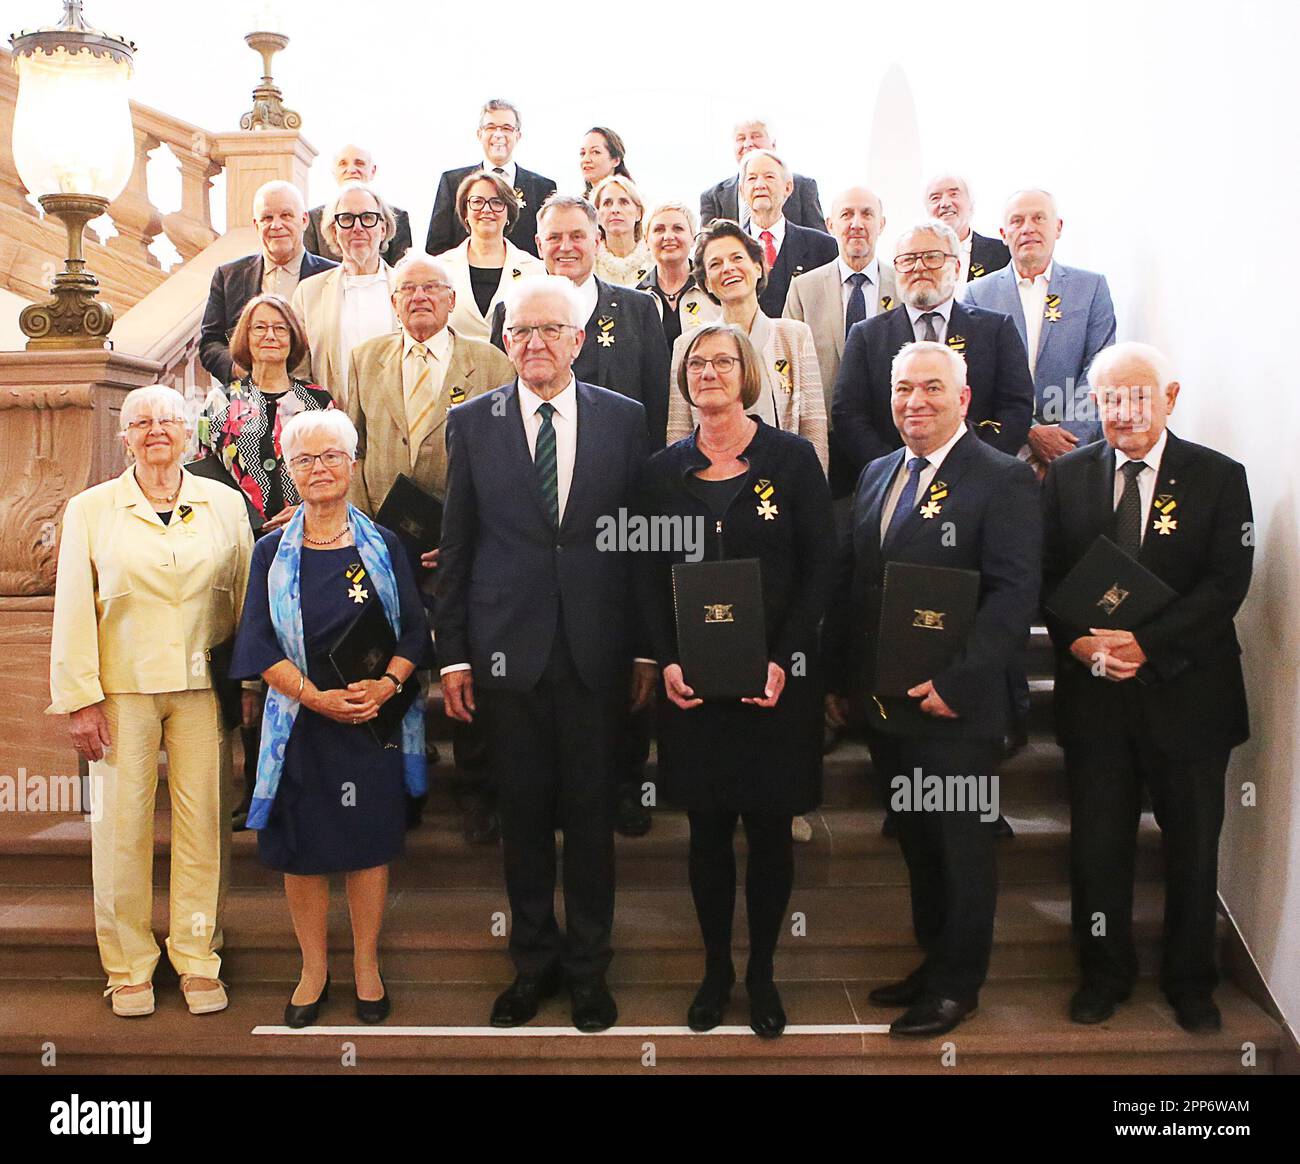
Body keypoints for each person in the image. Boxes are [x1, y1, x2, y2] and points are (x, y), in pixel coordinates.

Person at [435, 276, 653, 1032]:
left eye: (550, 330)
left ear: (577, 340)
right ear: (505, 344)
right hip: (505, 655)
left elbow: (639, 543)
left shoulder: (625, 420)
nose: (535, 344)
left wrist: (649, 650)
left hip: (598, 651)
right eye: (521, 332)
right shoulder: (472, 423)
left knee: (592, 820)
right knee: (523, 817)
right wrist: (453, 655)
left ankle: (590, 971)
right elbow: (458, 544)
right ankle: (532, 964)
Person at [824, 342, 1041, 1036]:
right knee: (917, 840)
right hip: (889, 706)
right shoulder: (880, 471)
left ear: (965, 399)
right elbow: (857, 584)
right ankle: (932, 961)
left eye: (931, 390)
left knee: (961, 847)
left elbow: (1014, 595)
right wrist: (837, 680)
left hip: (958, 710)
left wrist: (960, 681)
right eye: (902, 390)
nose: (914, 403)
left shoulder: (1002, 478)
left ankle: (958, 985)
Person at [1042, 343, 1253, 1033]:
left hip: (1189, 695)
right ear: (1093, 403)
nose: (1124, 410)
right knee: (1098, 848)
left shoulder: (1219, 477)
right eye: (1109, 398)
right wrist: (1077, 641)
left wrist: (1146, 643)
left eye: (1138, 395)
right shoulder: (1067, 476)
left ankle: (1192, 980)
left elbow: (1227, 582)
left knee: (1193, 848)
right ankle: (1103, 973)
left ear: (1170, 397)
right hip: (1095, 695)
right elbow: (1045, 577)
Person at [638, 323, 835, 1036]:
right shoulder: (660, 470)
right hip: (694, 689)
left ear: (748, 373)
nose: (709, 372)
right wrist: (667, 660)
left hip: (776, 685)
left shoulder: (792, 458)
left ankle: (763, 973)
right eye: (697, 363)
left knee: (772, 832)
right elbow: (645, 579)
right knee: (707, 834)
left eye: (723, 361)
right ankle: (717, 968)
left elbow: (820, 569)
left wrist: (783, 658)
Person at [48, 386, 253, 1018]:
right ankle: (128, 964)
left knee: (204, 829)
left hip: (203, 689)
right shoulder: (90, 509)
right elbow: (73, 606)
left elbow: (245, 595)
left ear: (189, 433)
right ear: (124, 436)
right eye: (142, 422)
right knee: (120, 831)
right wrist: (79, 699)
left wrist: (248, 682)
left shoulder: (224, 502)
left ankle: (196, 956)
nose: (156, 430)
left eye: (168, 420)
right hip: (120, 691)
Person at [232, 410, 429, 1028]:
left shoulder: (386, 544)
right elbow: (258, 641)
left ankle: (366, 965)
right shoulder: (269, 551)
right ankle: (313, 968)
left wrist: (388, 683)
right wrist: (313, 696)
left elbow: (418, 629)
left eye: (330, 457)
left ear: (352, 464)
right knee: (302, 851)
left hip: (372, 723)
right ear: (289, 471)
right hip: (300, 724)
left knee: (368, 845)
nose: (318, 469)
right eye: (304, 460)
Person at [831, 218, 1034, 479]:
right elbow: (849, 414)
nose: (919, 267)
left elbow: (1016, 407)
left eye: (932, 257)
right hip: (896, 479)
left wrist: (976, 465)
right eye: (908, 260)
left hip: (979, 480)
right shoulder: (867, 335)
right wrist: (895, 468)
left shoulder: (995, 330)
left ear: (957, 266)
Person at [489, 194, 670, 449]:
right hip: (538, 461)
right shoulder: (509, 312)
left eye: (577, 236)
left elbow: (658, 401)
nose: (565, 247)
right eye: (554, 237)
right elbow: (499, 395)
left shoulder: (639, 309)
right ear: (539, 245)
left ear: (596, 241)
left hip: (619, 466)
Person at [346, 254, 515, 516]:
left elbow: (503, 458)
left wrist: (468, 533)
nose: (419, 296)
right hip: (380, 527)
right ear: (394, 302)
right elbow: (354, 448)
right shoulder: (364, 359)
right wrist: (363, 523)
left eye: (431, 287)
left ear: (452, 300)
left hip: (459, 528)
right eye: (408, 288)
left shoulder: (493, 365)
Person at [964, 188, 1116, 469]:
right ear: (1003, 232)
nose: (1028, 229)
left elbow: (1099, 369)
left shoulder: (1091, 288)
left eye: (1038, 218)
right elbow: (978, 376)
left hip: (1076, 452)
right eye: (1017, 220)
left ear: (1058, 227)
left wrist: (1069, 444)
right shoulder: (976, 295)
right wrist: (1028, 431)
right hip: (1003, 450)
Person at [666, 219, 827, 476]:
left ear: (758, 268)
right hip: (712, 484)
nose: (728, 268)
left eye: (737, 258)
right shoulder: (687, 345)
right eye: (715, 264)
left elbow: (814, 427)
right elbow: (678, 433)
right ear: (707, 283)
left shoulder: (794, 336)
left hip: (785, 485)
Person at [784, 186, 897, 498]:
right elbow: (788, 369)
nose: (857, 223)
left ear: (882, 224)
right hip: (826, 440)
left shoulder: (903, 286)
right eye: (847, 214)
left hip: (890, 442)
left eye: (867, 214)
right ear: (831, 225)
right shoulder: (803, 289)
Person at [202, 295, 334, 533]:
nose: (270, 335)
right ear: (246, 337)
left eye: (280, 328)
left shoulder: (319, 402)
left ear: (293, 338)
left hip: (307, 532)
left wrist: (307, 511)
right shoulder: (220, 402)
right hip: (237, 534)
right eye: (260, 327)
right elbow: (200, 472)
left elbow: (339, 469)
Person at [200, 180, 336, 385]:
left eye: (286, 215)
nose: (276, 225)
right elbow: (210, 343)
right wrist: (240, 369)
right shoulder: (228, 276)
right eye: (267, 218)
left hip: (314, 399)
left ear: (304, 220)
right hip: (248, 403)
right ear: (256, 225)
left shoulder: (332, 276)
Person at [290, 181, 400, 405]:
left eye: (368, 218)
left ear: (383, 228)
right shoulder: (309, 293)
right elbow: (298, 369)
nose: (357, 228)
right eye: (347, 219)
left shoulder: (405, 287)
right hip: (332, 424)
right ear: (334, 230)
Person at [426, 100, 557, 258]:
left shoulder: (543, 188)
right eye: (491, 127)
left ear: (518, 135)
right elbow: (436, 247)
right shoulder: (452, 182)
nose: (498, 134)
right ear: (479, 134)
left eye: (506, 128)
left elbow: (549, 244)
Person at [436, 169, 545, 341]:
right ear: (465, 213)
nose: (487, 210)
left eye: (496, 202)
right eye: (477, 202)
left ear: (509, 212)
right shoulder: (440, 268)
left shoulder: (535, 270)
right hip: (455, 366)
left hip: (511, 366)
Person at [739, 149, 838, 318]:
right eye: (752, 178)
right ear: (742, 190)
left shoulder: (822, 246)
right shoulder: (730, 246)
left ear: (788, 187)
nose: (760, 185)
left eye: (769, 177)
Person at [700, 117, 826, 231]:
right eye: (741, 138)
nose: (748, 144)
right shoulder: (713, 196)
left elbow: (820, 243)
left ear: (773, 144)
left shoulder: (802, 186)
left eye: (756, 136)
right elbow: (705, 247)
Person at [303, 143, 413, 265]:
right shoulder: (313, 219)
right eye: (343, 164)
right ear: (334, 172)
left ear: (373, 171)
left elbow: (401, 271)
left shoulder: (397, 217)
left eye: (359, 163)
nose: (351, 170)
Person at [637, 201, 719, 347]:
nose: (668, 236)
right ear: (646, 241)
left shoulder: (715, 291)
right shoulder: (635, 297)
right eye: (659, 230)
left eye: (678, 228)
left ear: (693, 238)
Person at [923, 174, 1010, 284]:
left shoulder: (1002, 253)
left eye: (953, 194)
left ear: (971, 204)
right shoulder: (916, 259)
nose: (945, 203)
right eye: (935, 198)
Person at [592, 175, 653, 288]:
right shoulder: (588, 262)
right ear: (597, 215)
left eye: (624, 202)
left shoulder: (655, 261)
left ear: (639, 213)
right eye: (607, 203)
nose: (615, 210)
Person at [578, 126, 631, 195]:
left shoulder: (625, 198)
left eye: (595, 152)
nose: (586, 159)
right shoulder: (580, 203)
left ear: (616, 160)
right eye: (582, 153)